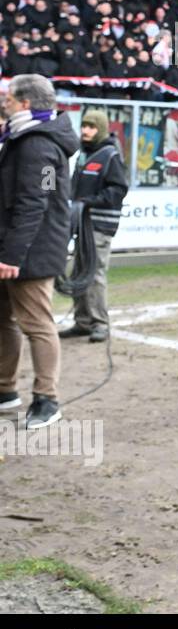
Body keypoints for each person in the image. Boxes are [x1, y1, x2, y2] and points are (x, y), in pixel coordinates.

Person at [0, 75, 79, 430]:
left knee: (37, 324)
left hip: (30, 252)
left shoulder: (38, 145)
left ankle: (47, 399)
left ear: (25, 103)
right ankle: (5, 390)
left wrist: (13, 256)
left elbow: (36, 204)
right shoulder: (20, 138)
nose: (4, 101)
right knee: (4, 320)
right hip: (14, 247)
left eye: (9, 97)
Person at [60, 110, 129, 343]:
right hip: (82, 223)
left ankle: (100, 323)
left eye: (91, 127)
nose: (86, 131)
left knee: (95, 273)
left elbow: (119, 190)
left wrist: (89, 202)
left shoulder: (109, 155)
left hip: (100, 224)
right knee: (79, 271)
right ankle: (82, 321)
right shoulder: (82, 155)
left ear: (100, 128)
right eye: (84, 126)